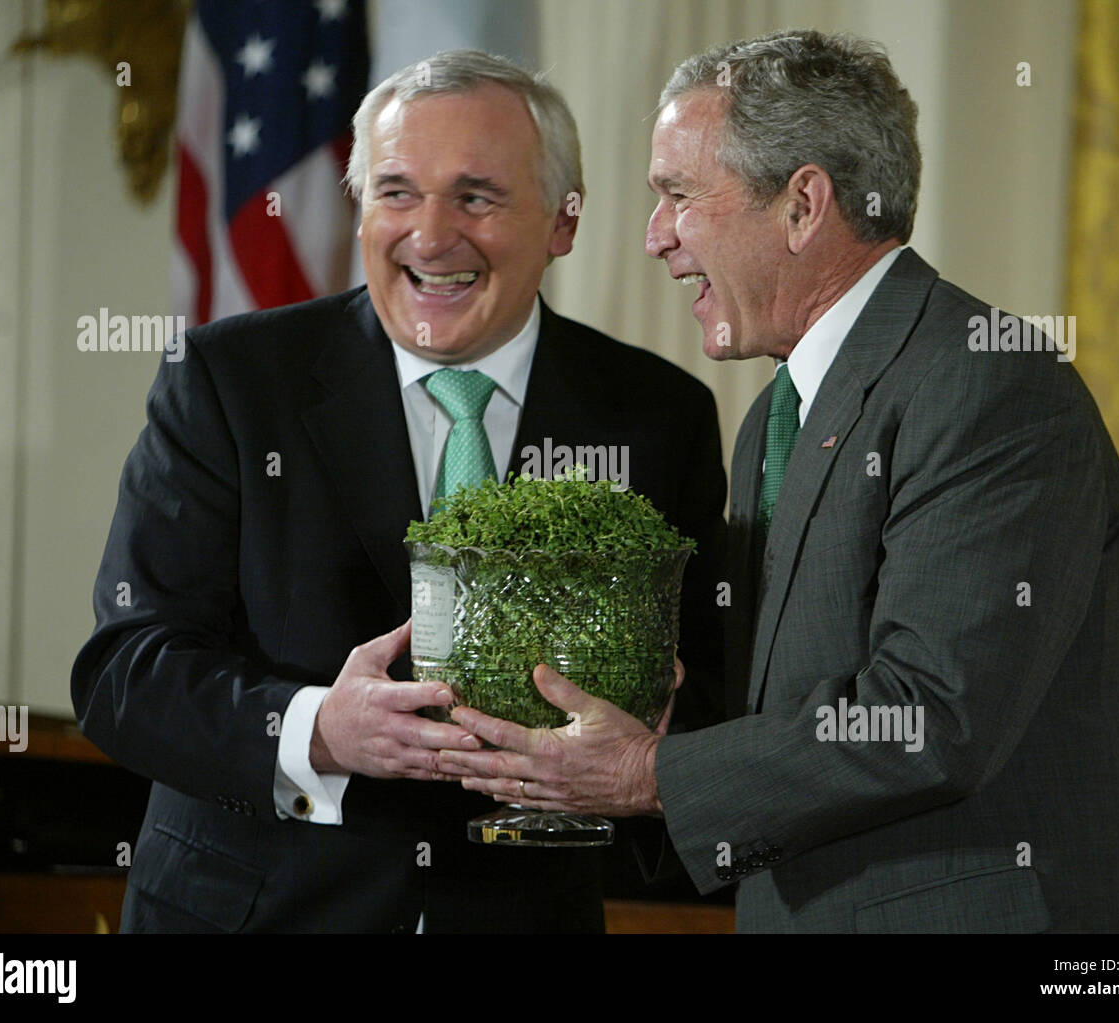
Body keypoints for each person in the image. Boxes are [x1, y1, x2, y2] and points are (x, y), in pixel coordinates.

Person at [438, 30, 1119, 932]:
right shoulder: (773, 418)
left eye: (677, 195)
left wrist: (648, 773)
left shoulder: (990, 381)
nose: (654, 237)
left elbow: (927, 717)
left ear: (802, 205)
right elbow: (788, 710)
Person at [71, 50, 726, 933]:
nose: (429, 235)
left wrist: (650, 732)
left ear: (562, 221)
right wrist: (320, 730)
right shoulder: (232, 383)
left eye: (476, 197)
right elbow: (125, 671)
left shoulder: (657, 415)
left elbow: (708, 686)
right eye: (396, 192)